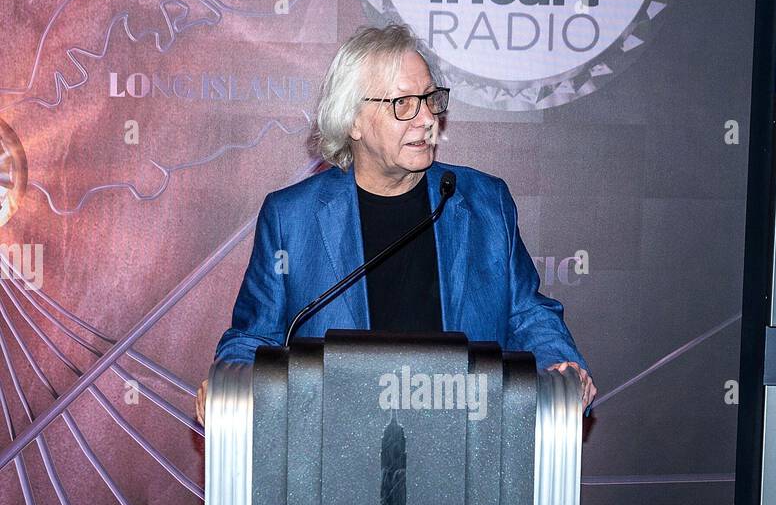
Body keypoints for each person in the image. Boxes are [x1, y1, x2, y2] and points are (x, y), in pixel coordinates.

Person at [196, 23, 595, 423]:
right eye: (403, 103)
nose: (426, 119)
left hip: (468, 444)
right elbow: (254, 338)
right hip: (333, 449)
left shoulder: (484, 202)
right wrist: (229, 383)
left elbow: (526, 313)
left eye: (430, 99)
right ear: (352, 120)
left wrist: (561, 366)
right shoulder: (290, 218)